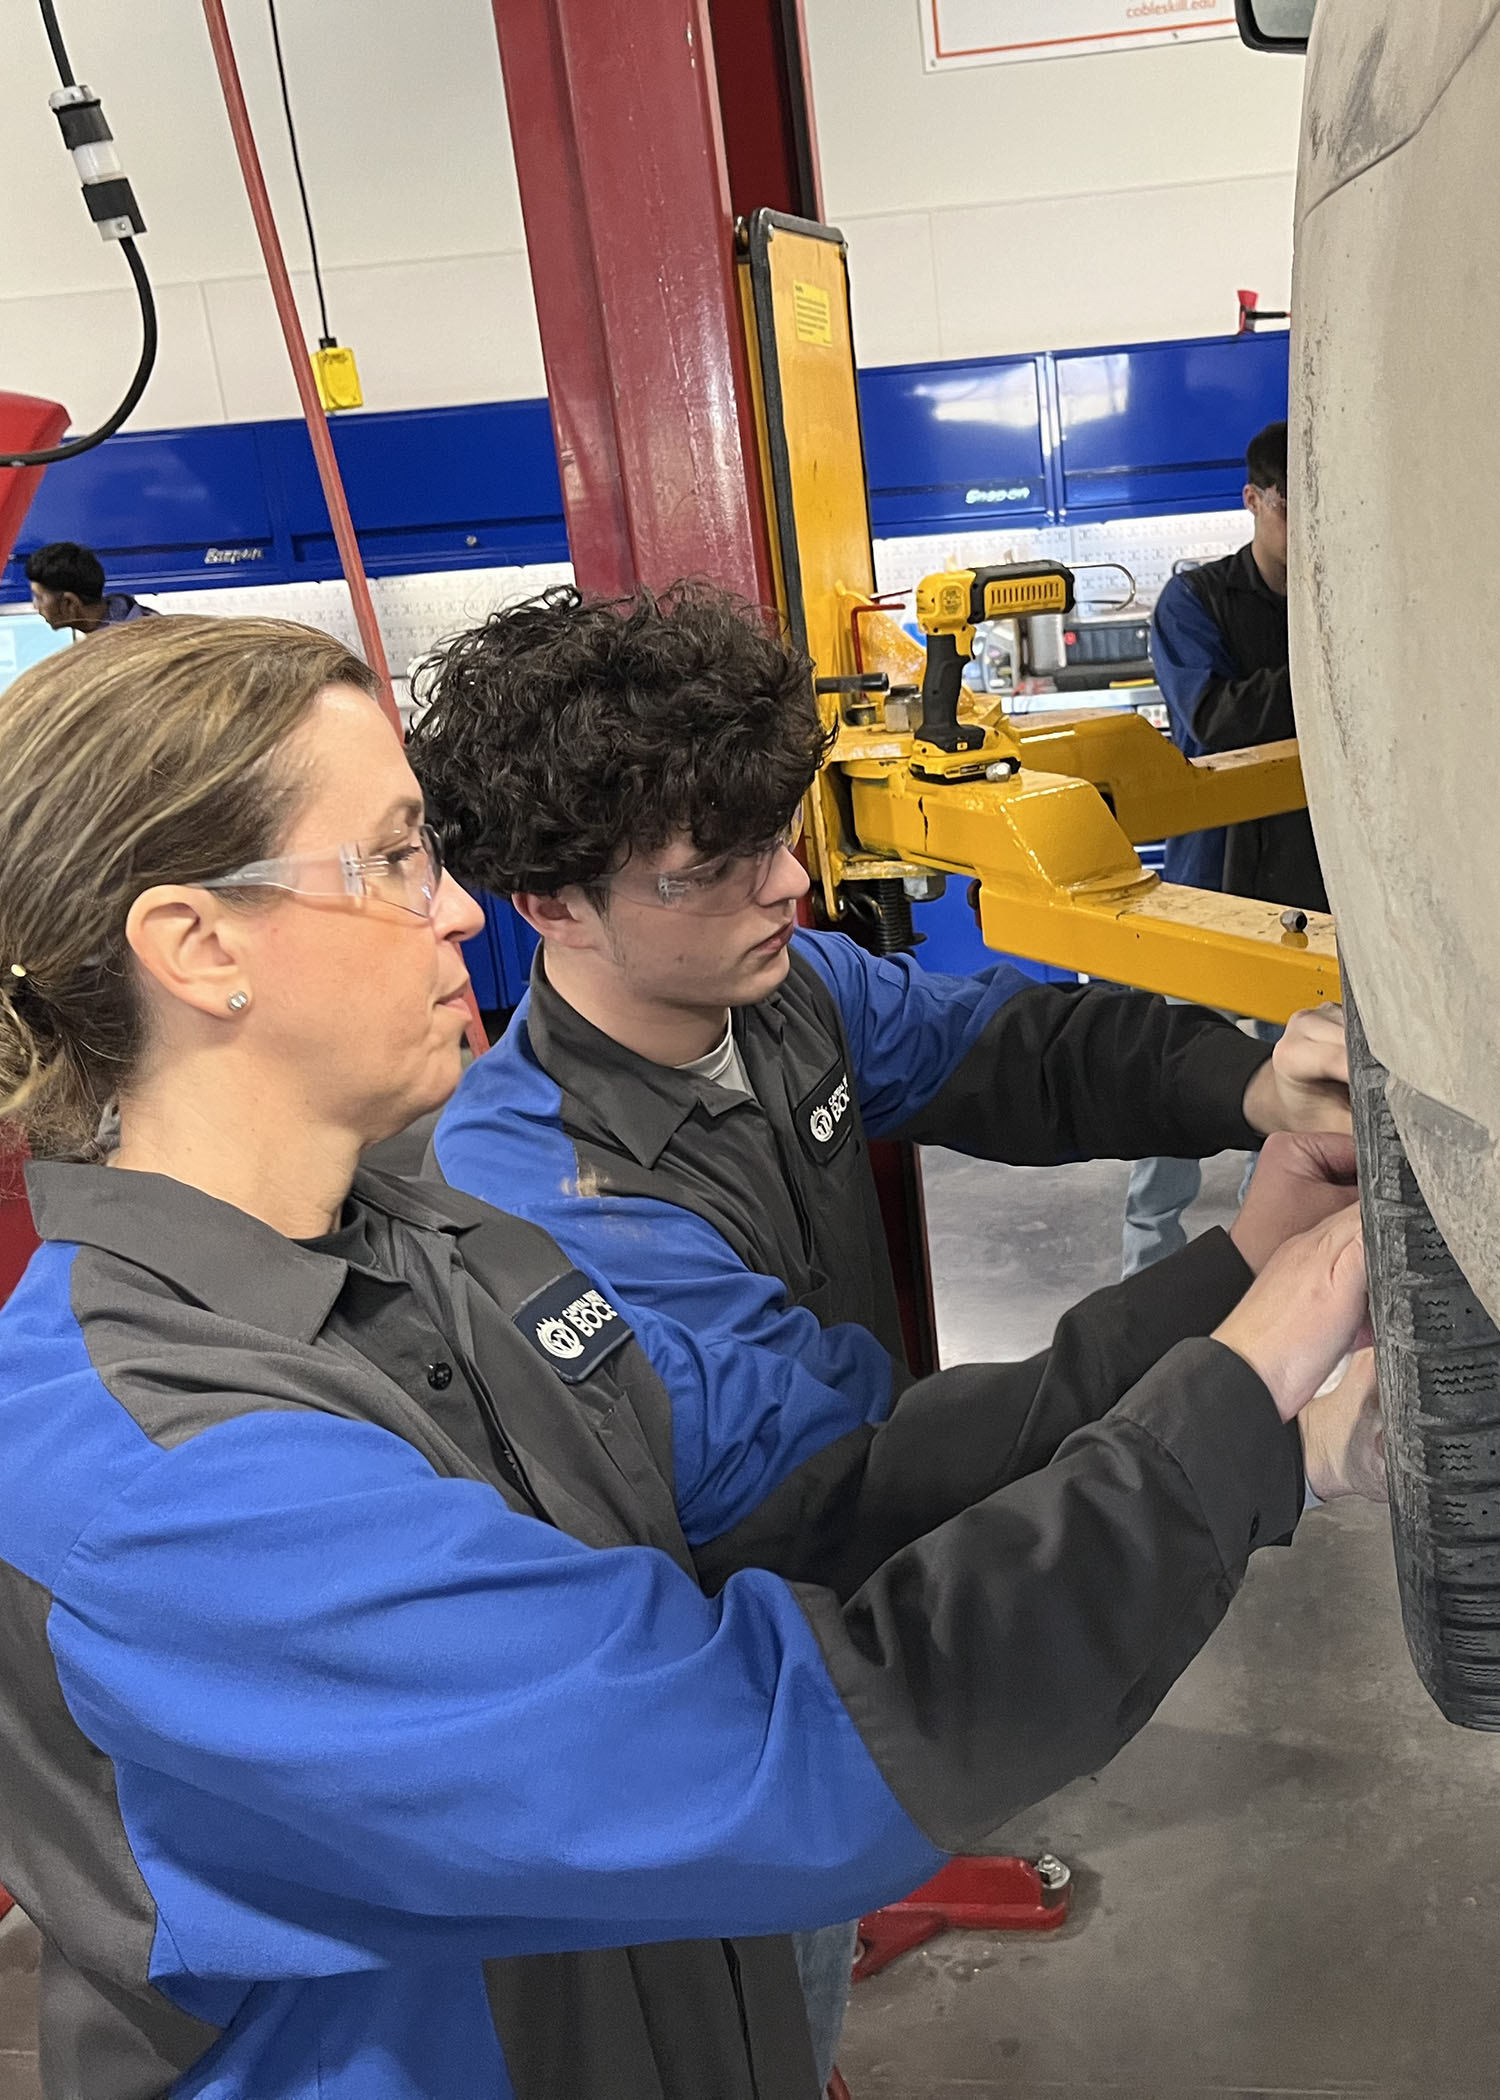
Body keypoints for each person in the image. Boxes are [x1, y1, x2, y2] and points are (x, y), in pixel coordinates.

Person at [0, 614, 1379, 2100]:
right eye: (394, 860)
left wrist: (1239, 1349)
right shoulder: (161, 1477)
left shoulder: (437, 1260)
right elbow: (759, 1758)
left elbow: (826, 1506)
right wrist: (1228, 1411)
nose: (461, 914)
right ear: (198, 948)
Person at [411, 582, 1357, 2083]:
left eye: (779, 835)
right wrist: (1248, 1281)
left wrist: (1245, 1086)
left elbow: (1012, 1047)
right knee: (764, 2010)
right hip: (746, 1696)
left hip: (854, 1595)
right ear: (552, 905)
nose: (788, 882)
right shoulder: (538, 1202)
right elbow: (874, 1473)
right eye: (716, 868)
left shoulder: (790, 996)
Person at [1123, 419, 1329, 1276]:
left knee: (1294, 1113)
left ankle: (1261, 1283)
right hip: (1208, 894)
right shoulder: (1194, 601)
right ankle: (1144, 1288)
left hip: (1312, 901)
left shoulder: (1337, 596)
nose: (1312, 528)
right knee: (1169, 1102)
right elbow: (1212, 723)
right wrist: (1326, 665)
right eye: (1294, 506)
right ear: (1255, 500)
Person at [24, 539, 158, 634]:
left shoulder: (134, 644)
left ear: (69, 602)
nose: (35, 606)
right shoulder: (120, 620)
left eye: (39, 597)